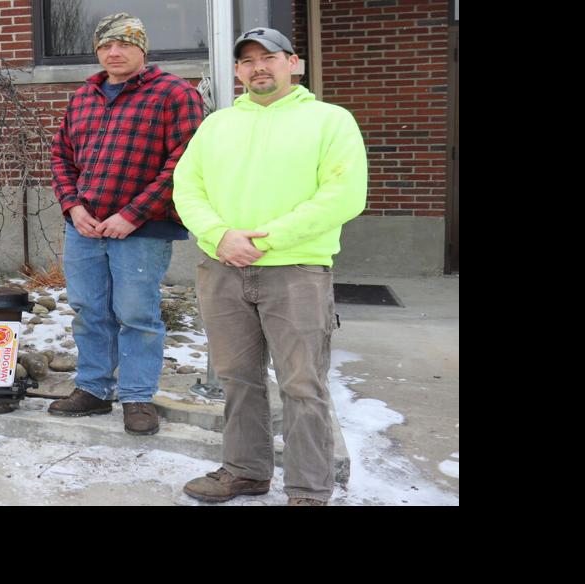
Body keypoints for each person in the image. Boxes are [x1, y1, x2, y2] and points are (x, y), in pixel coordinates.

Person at [170, 27, 368, 507]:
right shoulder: (216, 125)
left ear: (293, 62)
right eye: (248, 60)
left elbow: (343, 194)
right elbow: (186, 187)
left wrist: (266, 239)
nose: (259, 67)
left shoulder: (329, 121)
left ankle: (308, 489)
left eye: (269, 57)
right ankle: (245, 470)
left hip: (296, 271)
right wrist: (220, 237)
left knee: (302, 383)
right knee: (238, 378)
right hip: (222, 270)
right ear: (237, 71)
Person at [46, 12, 205, 436]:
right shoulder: (84, 96)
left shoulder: (173, 93)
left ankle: (137, 397)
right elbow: (60, 156)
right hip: (84, 226)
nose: (114, 52)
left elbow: (185, 162)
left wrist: (131, 214)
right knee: (88, 309)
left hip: (143, 229)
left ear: (142, 49)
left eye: (124, 44)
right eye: (105, 45)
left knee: (136, 314)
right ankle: (94, 389)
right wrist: (73, 207)